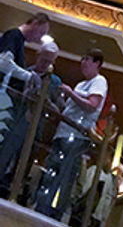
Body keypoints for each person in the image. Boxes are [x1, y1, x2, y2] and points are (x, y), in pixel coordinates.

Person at [34, 48, 108, 220]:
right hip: (63, 133)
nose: (83, 62)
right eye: (82, 58)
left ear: (97, 63)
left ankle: (52, 212)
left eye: (87, 59)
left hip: (76, 136)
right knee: (53, 171)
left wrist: (70, 93)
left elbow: (91, 105)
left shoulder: (99, 81)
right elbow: (70, 108)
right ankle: (42, 207)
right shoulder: (81, 84)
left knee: (64, 175)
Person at [0, 39, 62, 197]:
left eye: (50, 61)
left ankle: (13, 189)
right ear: (37, 55)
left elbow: (58, 110)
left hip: (34, 129)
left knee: (23, 162)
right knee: (5, 154)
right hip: (13, 123)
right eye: (44, 60)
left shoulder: (55, 83)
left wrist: (45, 101)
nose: (45, 64)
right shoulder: (23, 72)